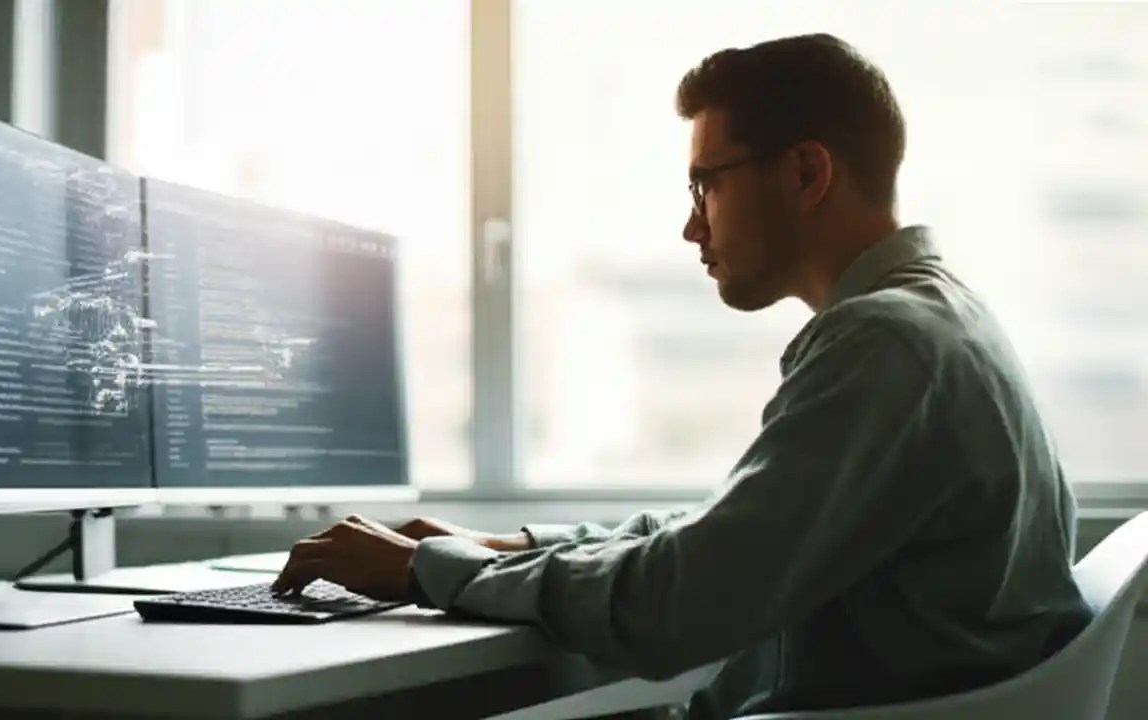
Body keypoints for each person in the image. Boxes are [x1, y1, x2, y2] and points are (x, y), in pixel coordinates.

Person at [271, 33, 1093, 717]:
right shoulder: (939, 320)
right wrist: (506, 546)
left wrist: (421, 571)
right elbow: (725, 537)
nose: (691, 227)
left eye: (706, 184)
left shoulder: (884, 344)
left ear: (807, 174)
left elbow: (680, 603)